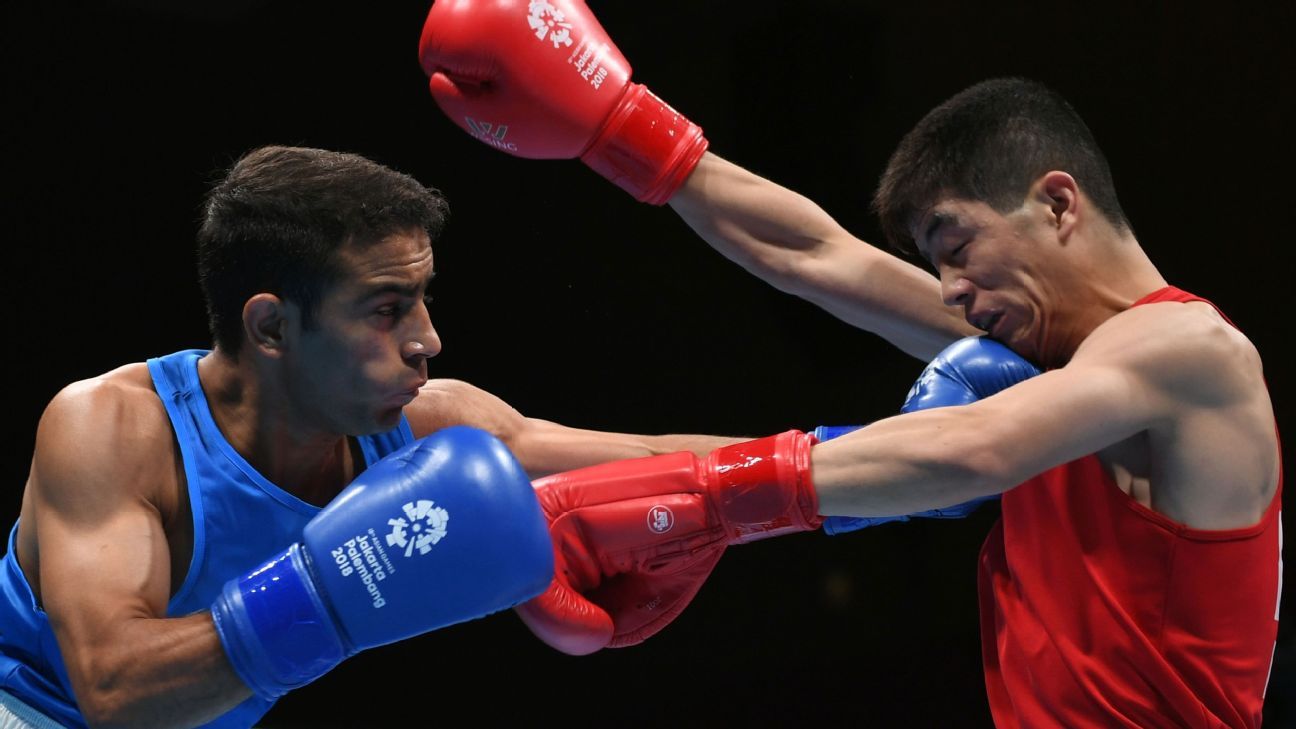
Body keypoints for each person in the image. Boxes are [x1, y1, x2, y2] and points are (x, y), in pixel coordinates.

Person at [418, 1, 1284, 726]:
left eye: (957, 245)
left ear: (1057, 203)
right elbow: (818, 256)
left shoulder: (1189, 354)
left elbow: (966, 453)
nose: (948, 292)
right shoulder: (1055, 365)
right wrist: (622, 128)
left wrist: (707, 500)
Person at [0, 144, 758, 729]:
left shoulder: (431, 426)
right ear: (271, 325)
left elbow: (671, 462)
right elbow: (113, 690)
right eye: (386, 308)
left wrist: (849, 466)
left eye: (423, 298)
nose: (428, 338)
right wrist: (323, 594)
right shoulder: (114, 427)